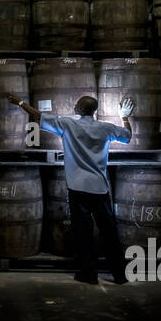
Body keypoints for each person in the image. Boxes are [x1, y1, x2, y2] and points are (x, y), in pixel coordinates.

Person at [7, 92, 134, 285]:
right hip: (100, 188)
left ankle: (88, 274)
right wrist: (124, 116)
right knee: (109, 232)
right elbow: (127, 136)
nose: (74, 106)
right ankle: (120, 274)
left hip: (78, 188)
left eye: (76, 104)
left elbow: (38, 115)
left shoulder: (68, 125)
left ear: (80, 109)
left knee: (83, 233)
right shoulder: (106, 128)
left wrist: (20, 102)